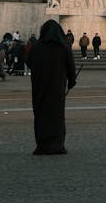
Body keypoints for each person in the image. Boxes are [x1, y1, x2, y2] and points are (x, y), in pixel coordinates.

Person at [26, 20, 77, 155]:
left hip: (39, 87)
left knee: (41, 114)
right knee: (56, 116)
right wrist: (71, 81)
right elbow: (71, 67)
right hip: (57, 87)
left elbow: (28, 61)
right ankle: (57, 145)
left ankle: (42, 145)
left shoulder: (37, 47)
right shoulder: (64, 47)